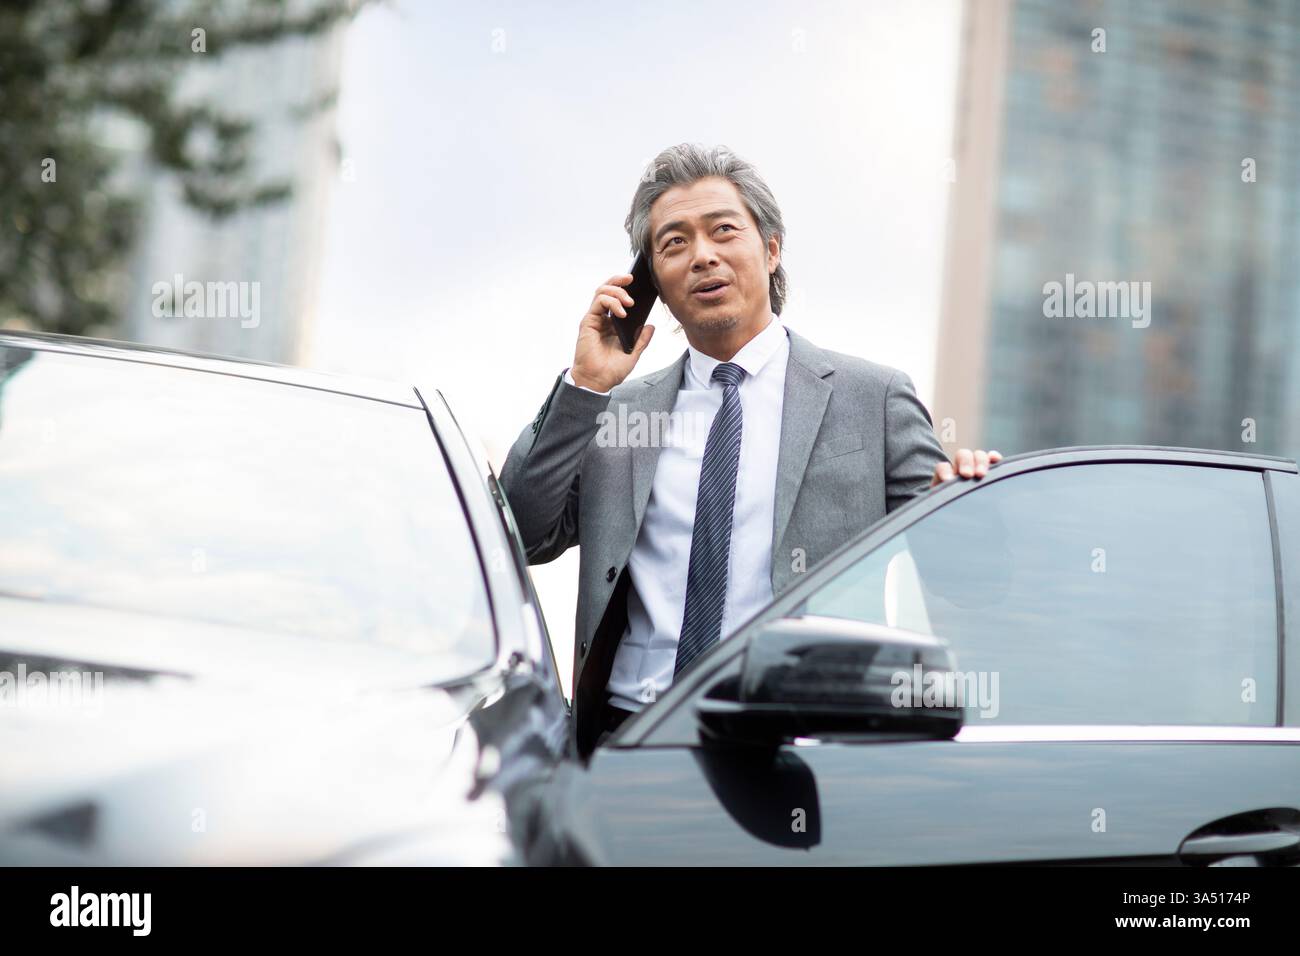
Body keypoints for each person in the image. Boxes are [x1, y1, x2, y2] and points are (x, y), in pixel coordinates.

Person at [499, 143, 1000, 757]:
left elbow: (966, 580)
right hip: (627, 745)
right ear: (650, 281)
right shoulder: (619, 414)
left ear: (771, 248)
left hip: (799, 748)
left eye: (723, 231)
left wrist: (967, 504)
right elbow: (522, 531)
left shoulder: (874, 398)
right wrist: (585, 387)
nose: (702, 255)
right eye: (673, 243)